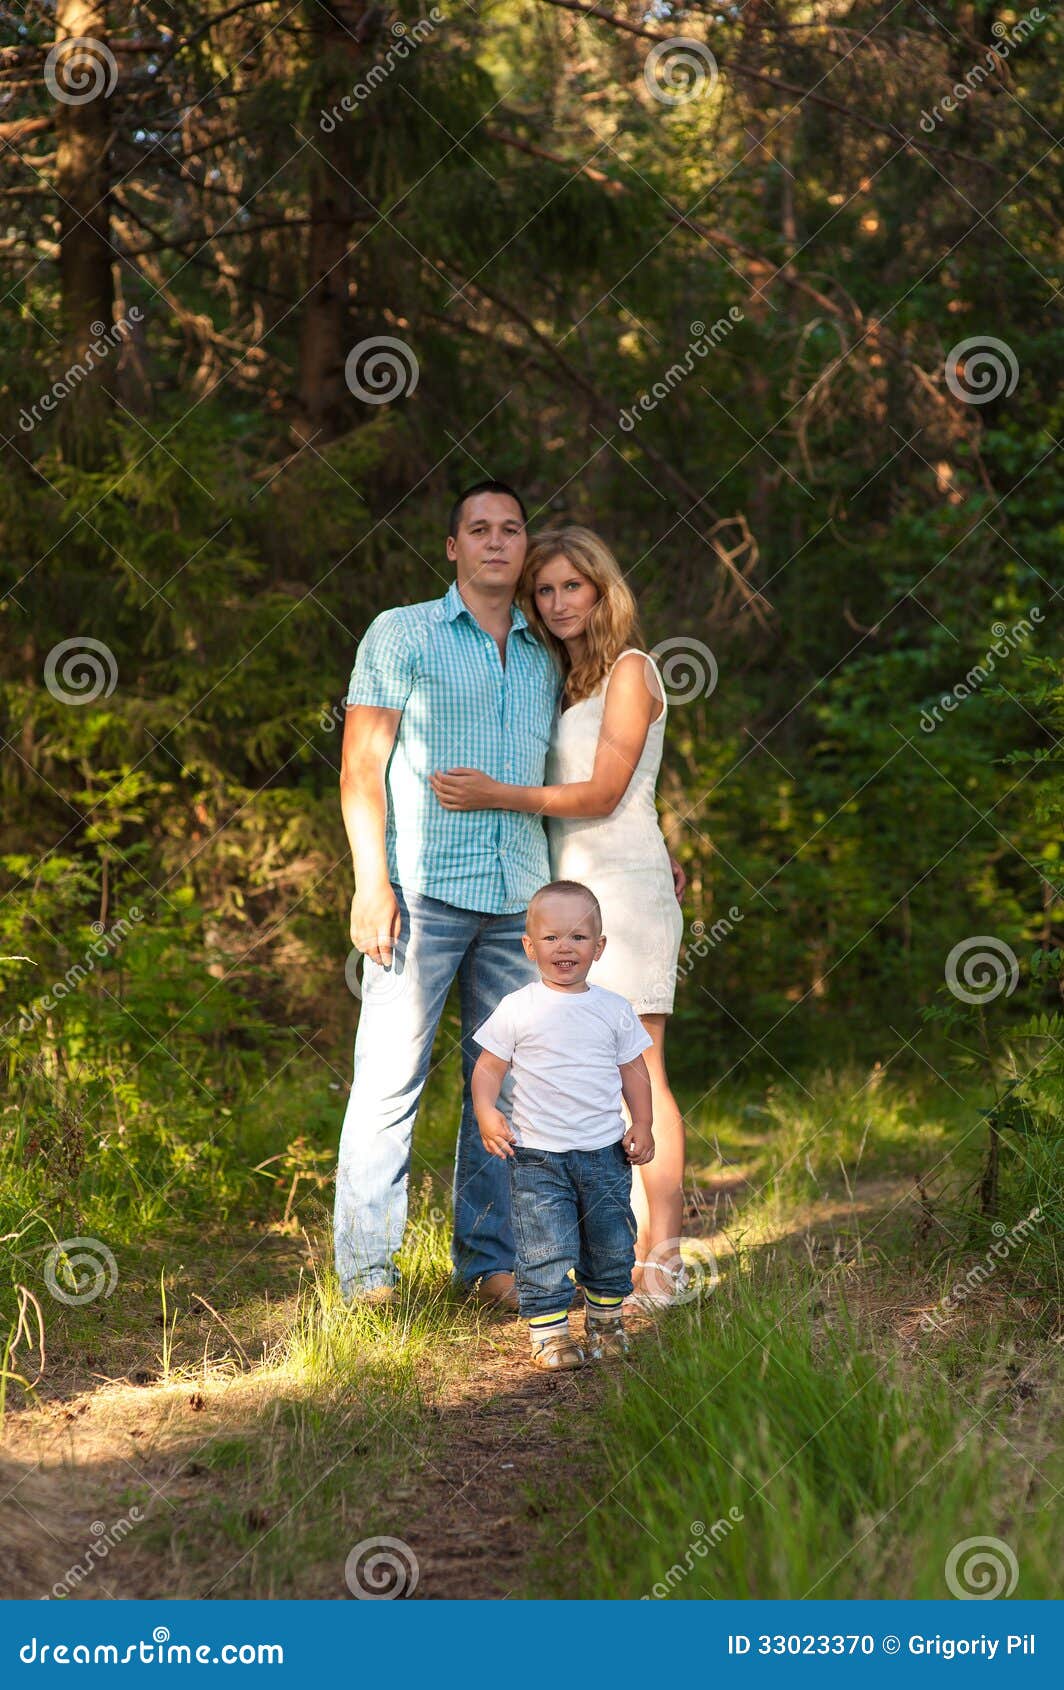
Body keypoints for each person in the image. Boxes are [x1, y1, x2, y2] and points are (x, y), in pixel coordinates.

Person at [430, 526, 687, 1308]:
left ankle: (664, 1260)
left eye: (572, 586)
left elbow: (609, 793)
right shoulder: (563, 681)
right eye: (544, 591)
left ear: (603, 589)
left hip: (626, 894)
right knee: (588, 1084)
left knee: (639, 1071)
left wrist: (496, 794)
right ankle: (609, 1256)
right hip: (566, 891)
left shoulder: (633, 671)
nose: (556, 602)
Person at [333, 480, 559, 1307]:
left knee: (504, 1088)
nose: (497, 542)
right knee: (389, 1081)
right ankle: (367, 1276)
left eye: (511, 529)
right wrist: (370, 880)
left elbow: (578, 776)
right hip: (422, 892)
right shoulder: (403, 634)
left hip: (520, 903)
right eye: (479, 530)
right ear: (453, 548)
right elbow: (362, 766)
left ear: (525, 546)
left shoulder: (551, 651)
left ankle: (489, 1264)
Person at [471, 880, 654, 1369]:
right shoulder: (518, 1008)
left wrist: (644, 1123)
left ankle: (606, 1321)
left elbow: (633, 1071)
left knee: (612, 1243)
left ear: (599, 946)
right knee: (546, 1246)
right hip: (537, 1155)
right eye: (551, 938)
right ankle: (550, 1335)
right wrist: (487, 1111)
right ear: (530, 946)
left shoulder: (613, 1009)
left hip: (605, 1153)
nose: (564, 947)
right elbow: (489, 1067)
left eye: (577, 937)